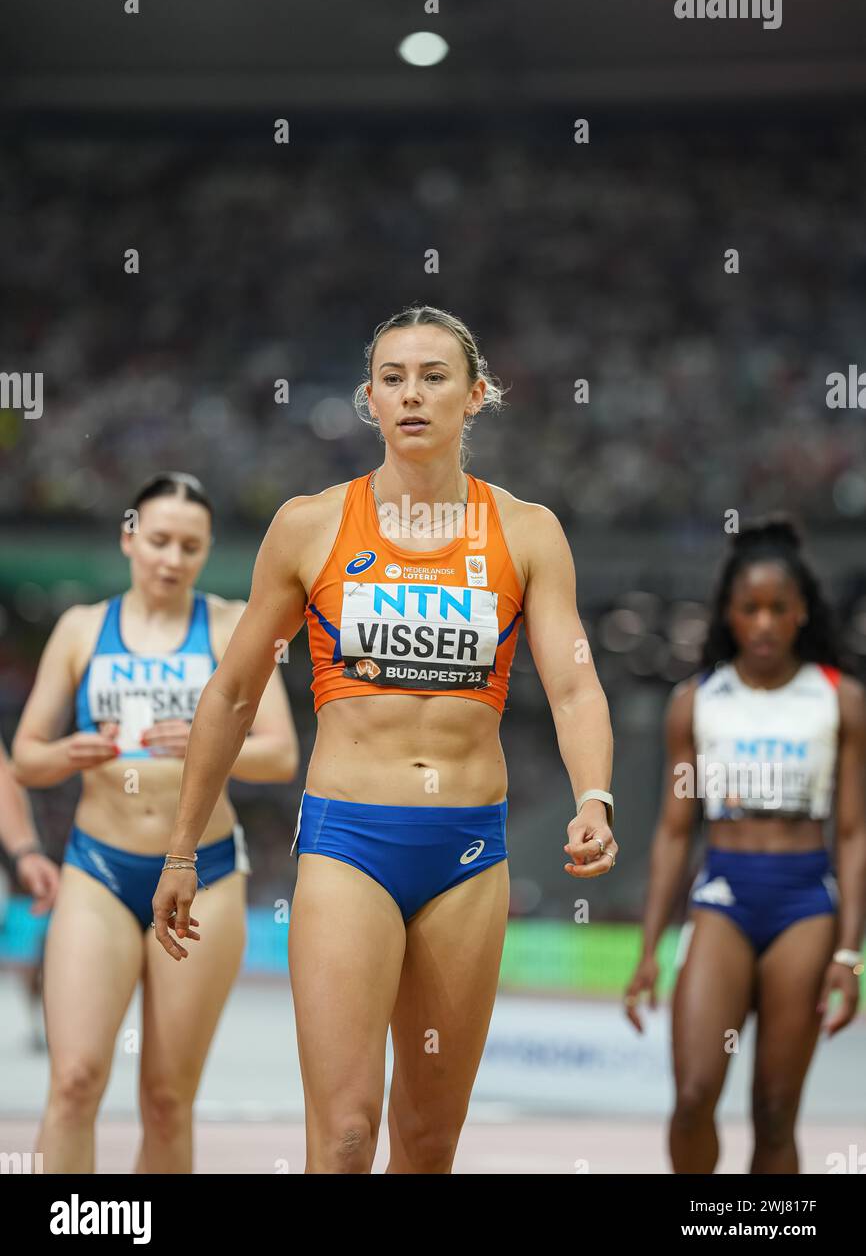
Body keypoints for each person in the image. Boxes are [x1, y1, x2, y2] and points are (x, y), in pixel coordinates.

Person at [153, 304, 617, 1174]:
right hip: (348, 844)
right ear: (369, 398)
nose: (413, 395)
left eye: (435, 377)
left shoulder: (527, 532)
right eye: (393, 379)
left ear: (476, 395)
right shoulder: (311, 525)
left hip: (470, 851)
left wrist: (594, 794)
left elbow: (573, 682)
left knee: (431, 1142)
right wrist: (182, 851)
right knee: (346, 1136)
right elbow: (231, 693)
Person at [12, 471, 298, 1173]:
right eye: (160, 541)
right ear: (128, 539)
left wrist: (209, 743)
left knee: (167, 1098)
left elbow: (281, 755)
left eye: (191, 547)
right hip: (99, 870)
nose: (173, 559)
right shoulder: (83, 629)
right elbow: (24, 756)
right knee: (74, 1081)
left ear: (206, 553)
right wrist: (65, 752)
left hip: (204, 874)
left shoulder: (231, 624)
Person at [625, 515, 866, 1174]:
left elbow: (852, 832)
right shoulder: (697, 703)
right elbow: (675, 830)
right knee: (695, 1095)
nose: (763, 623)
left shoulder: (840, 701)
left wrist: (851, 952)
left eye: (777, 609)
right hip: (723, 898)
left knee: (776, 1111)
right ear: (728, 614)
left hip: (804, 907)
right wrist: (648, 948)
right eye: (749, 608)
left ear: (801, 615)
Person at [0, 738, 57, 1048]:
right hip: (21, 864)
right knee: (27, 949)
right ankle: (38, 1019)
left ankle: (52, 1018)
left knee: (55, 950)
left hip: (63, 848)